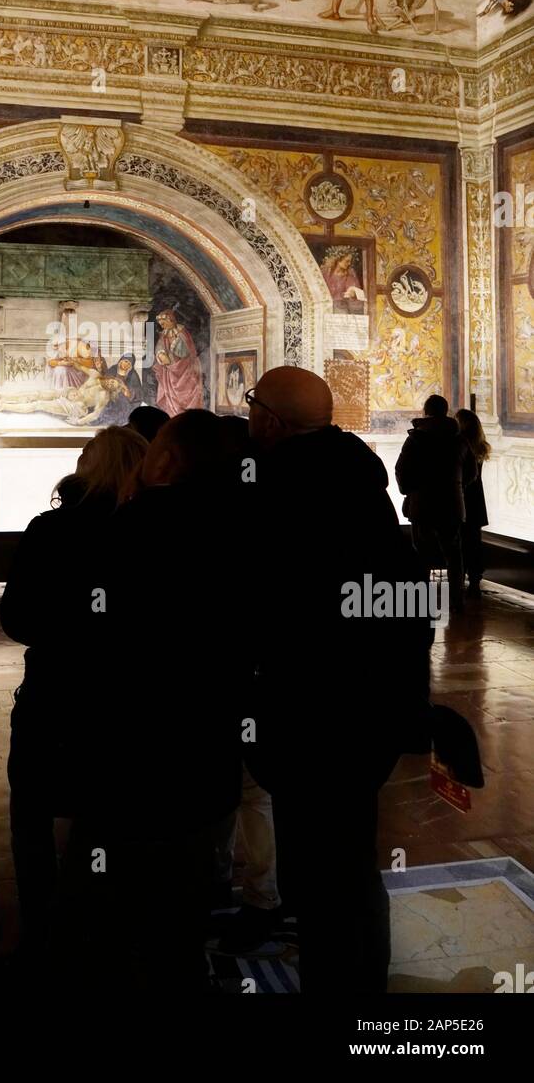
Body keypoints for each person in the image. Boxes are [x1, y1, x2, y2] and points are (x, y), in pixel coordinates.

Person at [245, 368, 432, 993]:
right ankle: (363, 985)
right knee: (351, 865)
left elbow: (259, 614)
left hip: (305, 717)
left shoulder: (271, 497)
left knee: (319, 875)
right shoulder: (364, 491)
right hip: (366, 714)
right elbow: (409, 607)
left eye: (252, 406)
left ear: (269, 421)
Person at [59, 411, 245, 991]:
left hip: (125, 756)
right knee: (186, 890)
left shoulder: (123, 532)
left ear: (165, 462)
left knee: (111, 893)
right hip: (207, 754)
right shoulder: (245, 533)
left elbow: (82, 638)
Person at [0, 426, 148, 957]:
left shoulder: (50, 530)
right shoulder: (151, 535)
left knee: (32, 811)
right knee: (107, 811)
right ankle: (100, 920)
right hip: (125, 701)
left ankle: (41, 927)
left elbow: (17, 618)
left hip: (54, 690)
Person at [395, 394, 476, 613]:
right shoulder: (459, 439)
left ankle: (422, 602)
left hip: (423, 503)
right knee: (454, 555)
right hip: (452, 503)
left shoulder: (417, 438)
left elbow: (401, 470)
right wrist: (455, 488)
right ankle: (457, 601)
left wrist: (409, 491)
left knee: (421, 555)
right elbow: (471, 472)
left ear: (426, 411)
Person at [455, 408, 490, 598]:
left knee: (460, 540)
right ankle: (475, 580)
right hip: (476, 499)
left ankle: (459, 579)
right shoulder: (480, 446)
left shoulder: (461, 445)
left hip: (463, 497)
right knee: (474, 541)